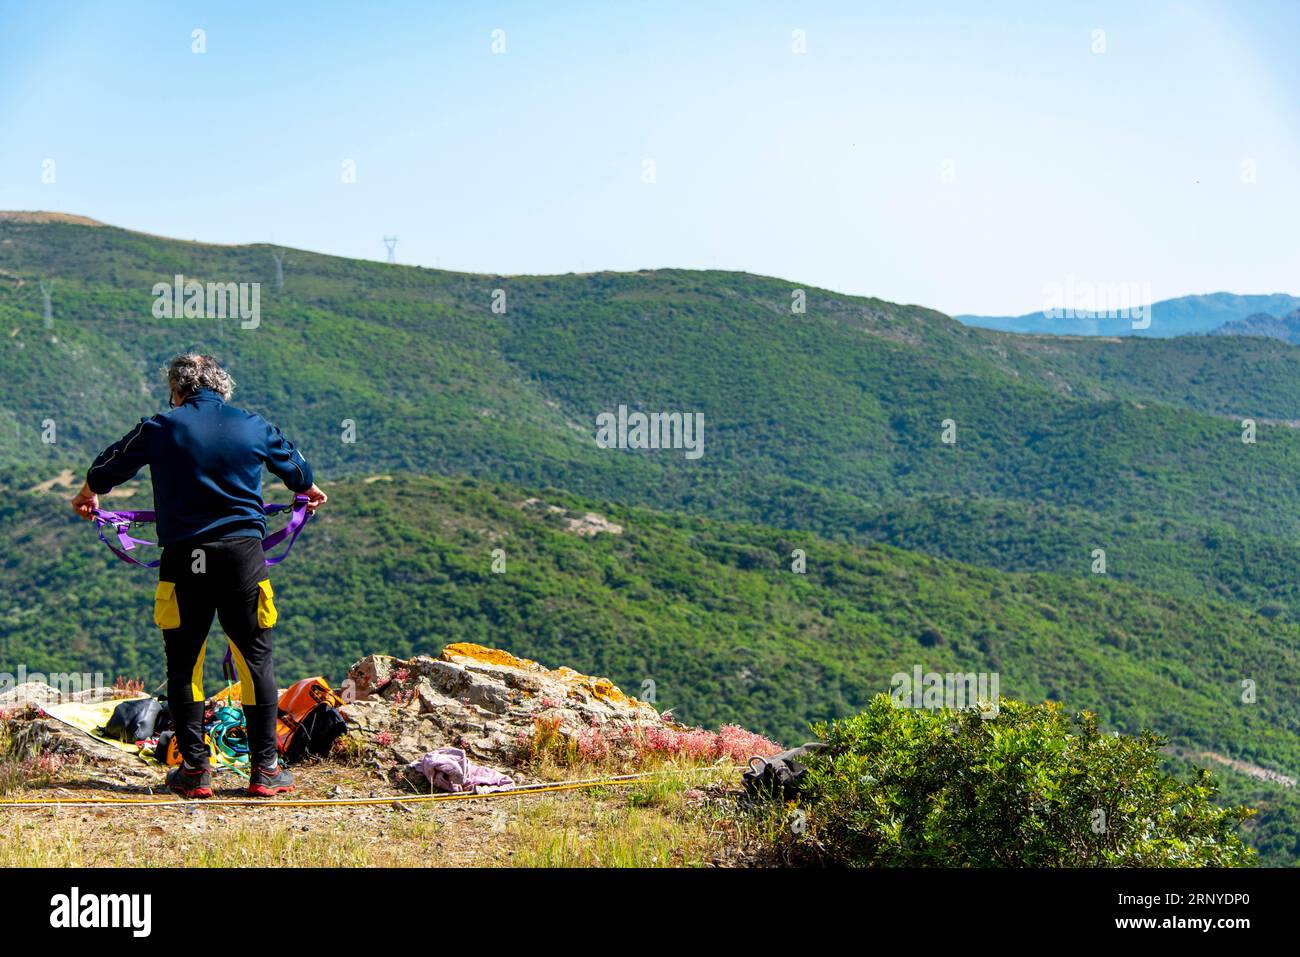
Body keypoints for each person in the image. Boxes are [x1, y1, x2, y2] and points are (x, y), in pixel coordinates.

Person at [71, 354, 327, 798]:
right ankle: (265, 768)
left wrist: (88, 493)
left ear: (177, 389)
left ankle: (194, 770)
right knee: (254, 658)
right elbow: (298, 471)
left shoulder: (161, 427)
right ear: (222, 388)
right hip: (242, 557)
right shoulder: (254, 425)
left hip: (185, 559)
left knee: (184, 660)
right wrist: (306, 491)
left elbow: (109, 464)